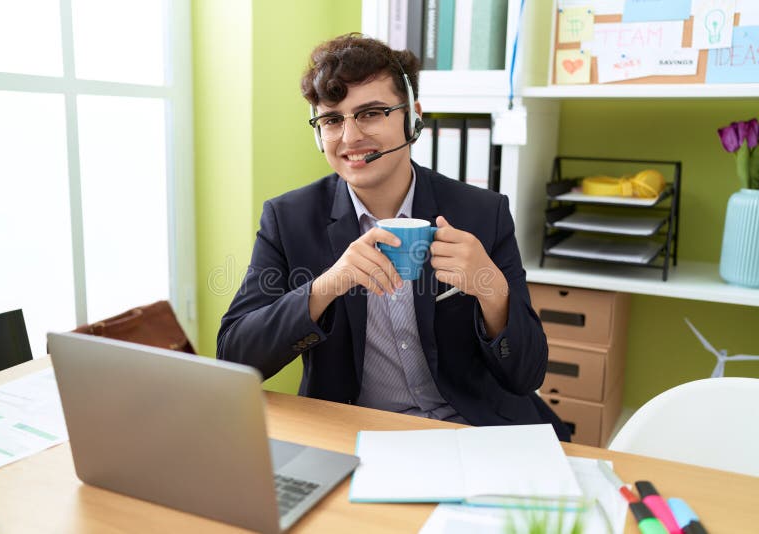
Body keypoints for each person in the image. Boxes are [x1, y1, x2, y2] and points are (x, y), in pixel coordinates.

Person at [217, 33, 569, 441]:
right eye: (332, 120)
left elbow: (527, 373)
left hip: (472, 430)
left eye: (371, 113)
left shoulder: (482, 213)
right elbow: (235, 357)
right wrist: (327, 285)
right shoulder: (288, 219)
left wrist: (490, 289)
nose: (350, 138)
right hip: (356, 434)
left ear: (413, 116)